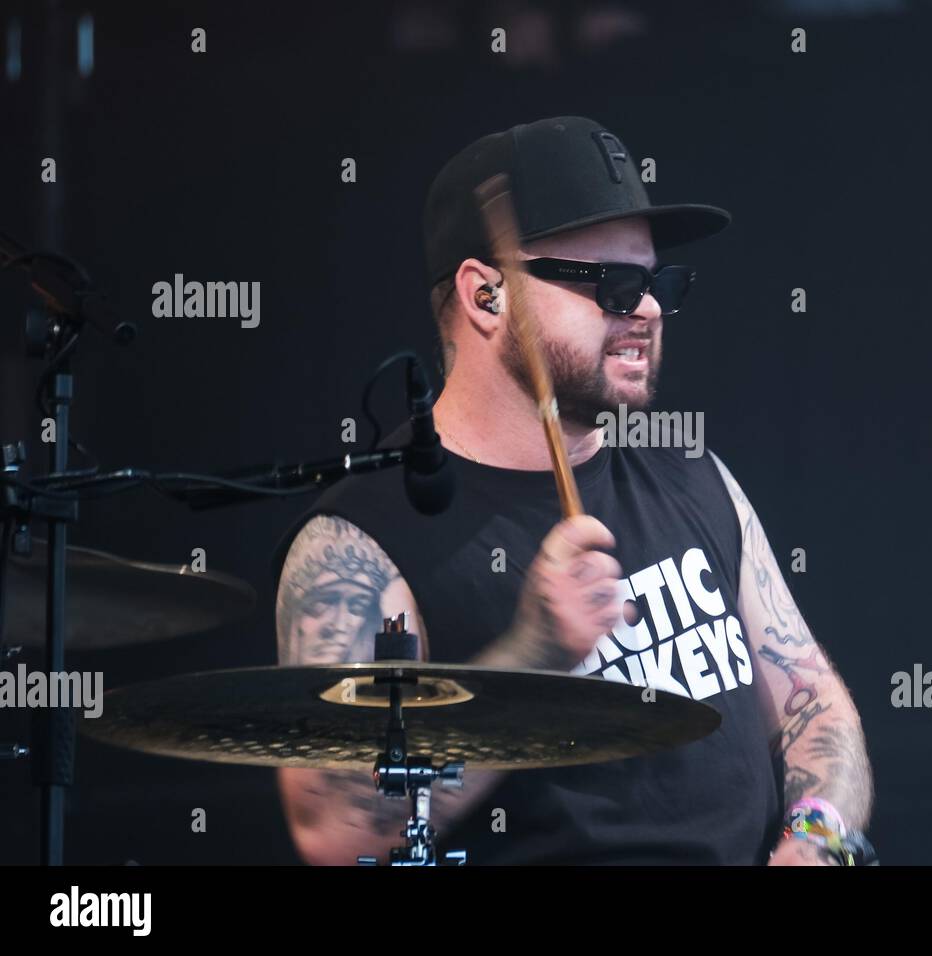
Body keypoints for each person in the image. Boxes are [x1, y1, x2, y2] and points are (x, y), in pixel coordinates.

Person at [274, 116, 872, 865]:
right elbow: (334, 830)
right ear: (487, 296)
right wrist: (535, 651)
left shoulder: (691, 472)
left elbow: (817, 706)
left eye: (658, 283)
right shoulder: (361, 541)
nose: (648, 309)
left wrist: (817, 838)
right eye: (614, 285)